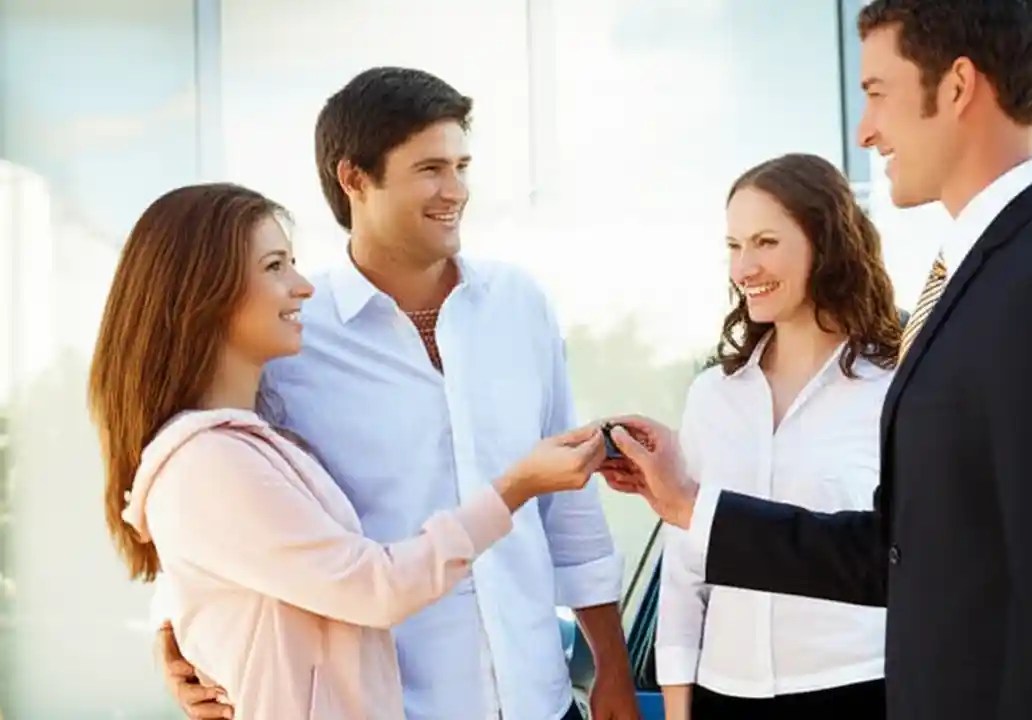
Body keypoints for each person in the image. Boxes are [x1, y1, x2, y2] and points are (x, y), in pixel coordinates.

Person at [602, 1, 1032, 718]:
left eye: (878, 92)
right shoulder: (989, 277)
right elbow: (903, 550)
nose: (865, 129)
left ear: (956, 86)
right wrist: (689, 505)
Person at [154, 69, 638, 720]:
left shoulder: (519, 304)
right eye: (431, 168)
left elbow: (569, 514)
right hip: (398, 704)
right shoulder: (291, 338)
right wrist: (177, 639)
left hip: (541, 700)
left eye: (463, 165)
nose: (457, 191)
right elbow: (228, 512)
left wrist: (612, 668)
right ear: (354, 177)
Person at [88, 183, 608, 719]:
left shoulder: (518, 304)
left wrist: (180, 623)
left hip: (529, 699)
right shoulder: (212, 454)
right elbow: (371, 586)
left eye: (461, 164)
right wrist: (515, 487)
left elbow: (251, 555)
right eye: (274, 266)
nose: (300, 286)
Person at [657, 153, 899, 720]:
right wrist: (676, 707)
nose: (744, 267)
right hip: (723, 695)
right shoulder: (713, 394)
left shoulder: (893, 388)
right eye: (734, 246)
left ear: (826, 242)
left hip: (859, 690)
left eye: (765, 242)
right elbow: (685, 565)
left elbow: (909, 556)